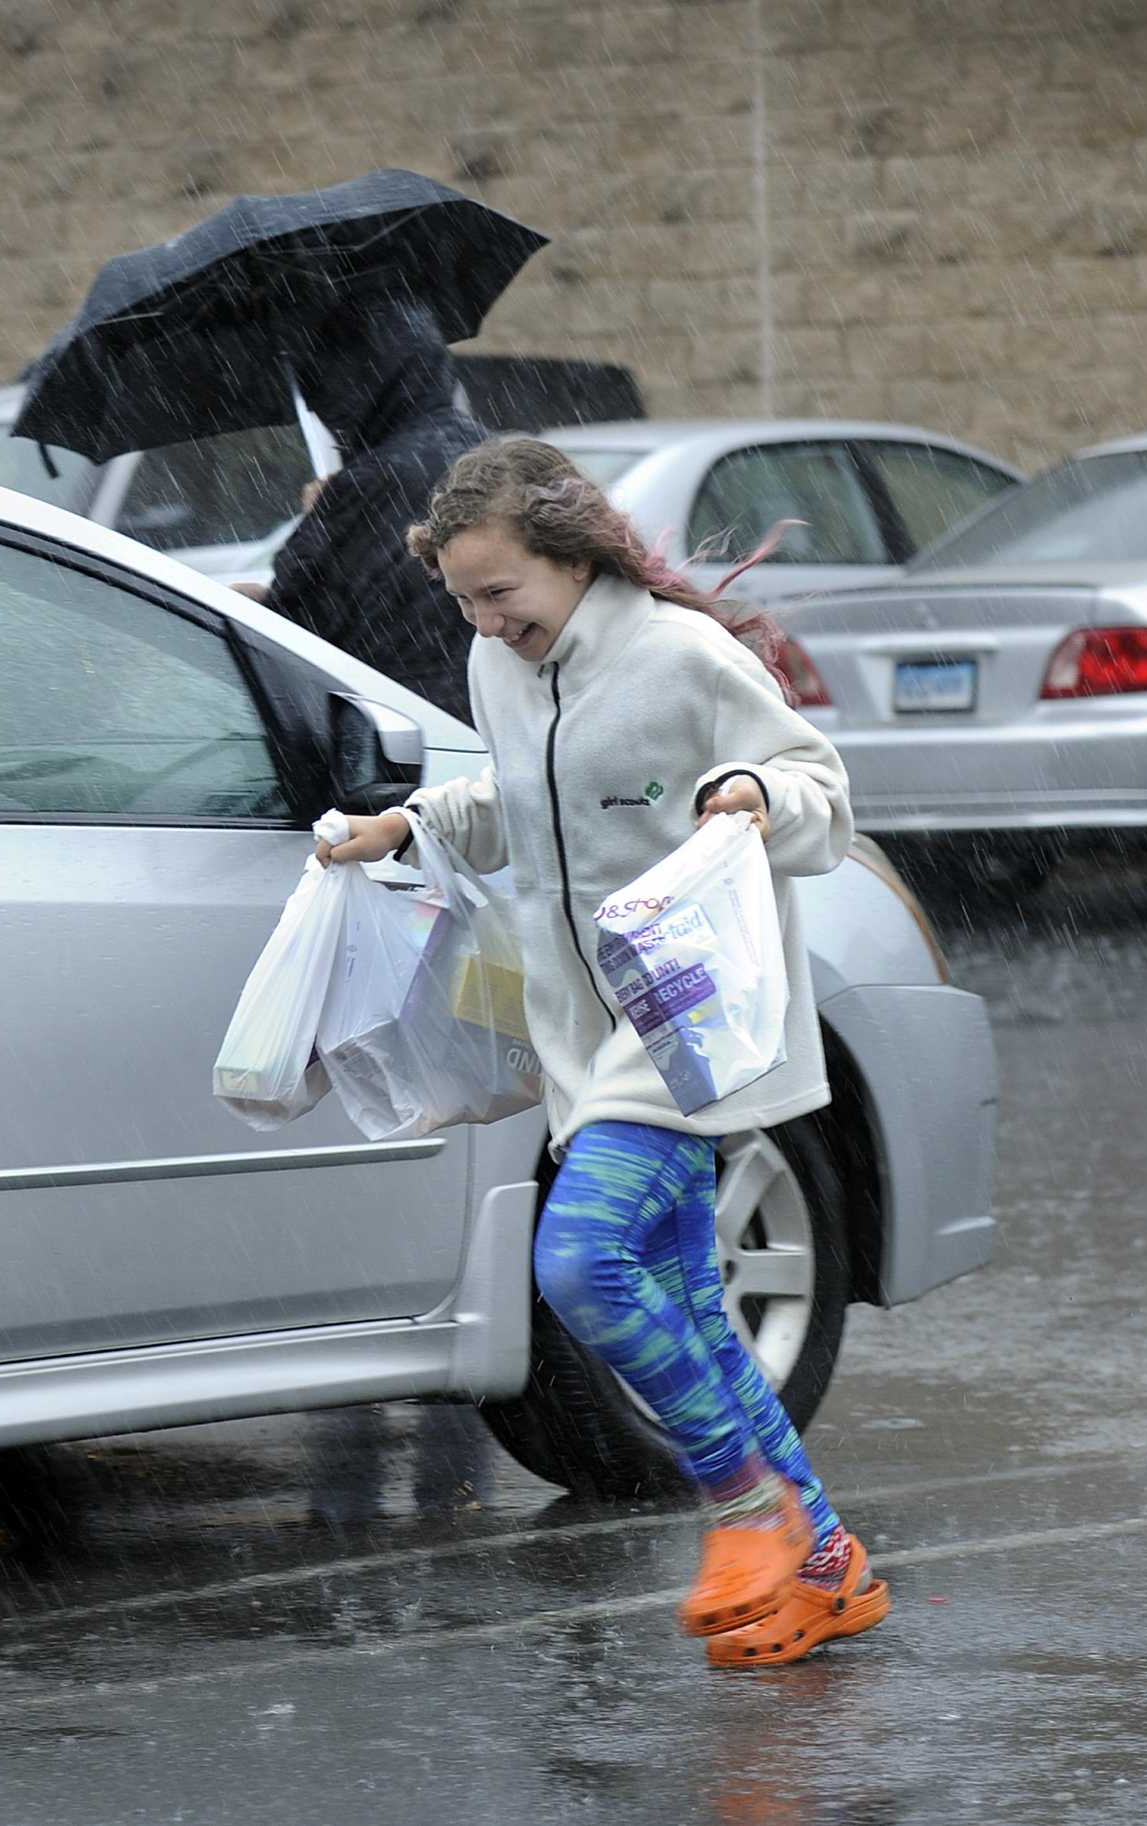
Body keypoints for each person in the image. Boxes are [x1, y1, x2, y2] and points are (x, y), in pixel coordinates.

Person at [318, 438, 891, 1664]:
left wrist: (749, 791)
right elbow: (519, 807)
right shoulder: (496, 662)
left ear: (572, 560)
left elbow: (821, 793)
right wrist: (406, 824)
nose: (483, 621)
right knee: (688, 1300)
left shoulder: (681, 657)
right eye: (464, 600)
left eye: (501, 594)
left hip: (689, 1025)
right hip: (579, 1034)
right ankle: (830, 1566)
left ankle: (742, 1509)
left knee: (579, 1263)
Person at [252, 298, 484, 724]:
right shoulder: (487, 452)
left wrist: (323, 516)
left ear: (351, 382)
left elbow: (289, 629)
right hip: (490, 713)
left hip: (403, 733)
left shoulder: (370, 482)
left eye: (320, 383)